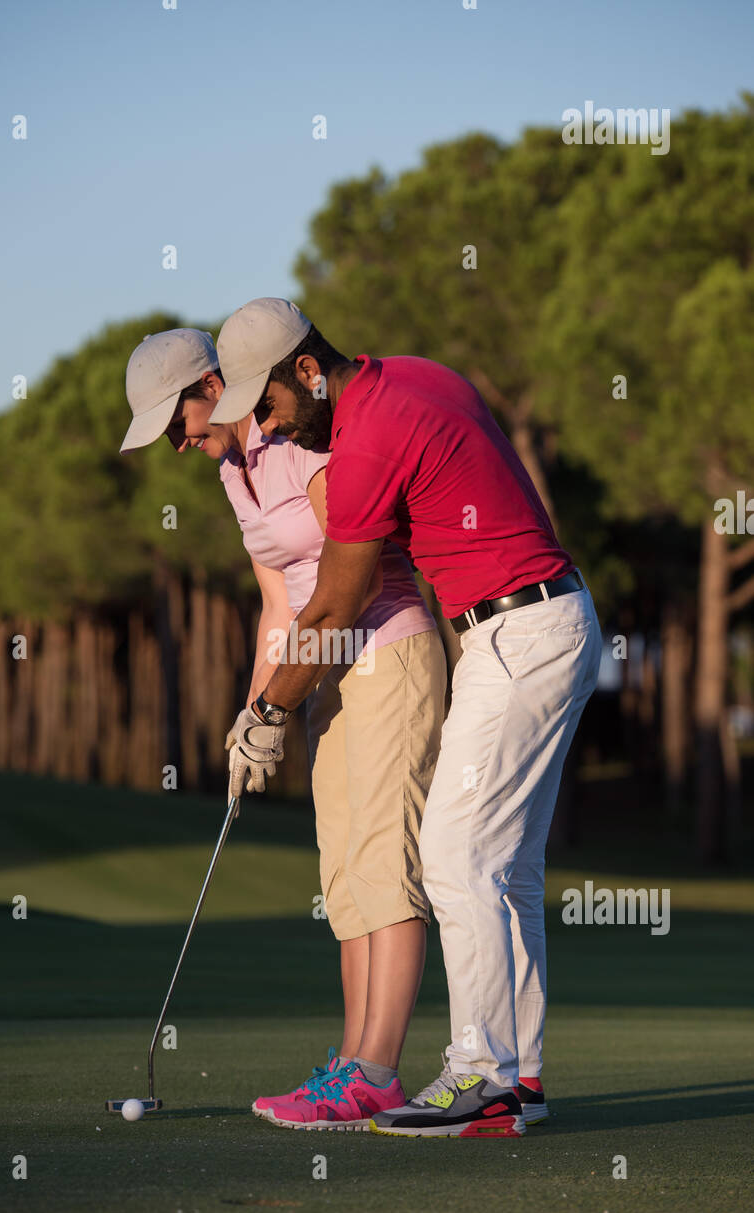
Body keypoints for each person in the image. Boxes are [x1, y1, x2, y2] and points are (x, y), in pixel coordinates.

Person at [211, 297, 602, 1139]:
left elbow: (338, 602)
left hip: (515, 635)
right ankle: (518, 1081)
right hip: (550, 619)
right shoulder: (419, 375)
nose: (269, 428)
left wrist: (267, 712)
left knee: (454, 856)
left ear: (308, 371)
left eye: (271, 406)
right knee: (506, 869)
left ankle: (481, 1077)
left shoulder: (365, 442)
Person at [120, 325, 447, 1130]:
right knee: (343, 873)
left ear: (209, 385)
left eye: (176, 423)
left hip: (387, 652)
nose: (176, 444)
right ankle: (348, 1065)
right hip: (318, 673)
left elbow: (355, 571)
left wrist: (281, 702)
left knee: (384, 862)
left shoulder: (297, 439)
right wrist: (253, 713)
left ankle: (378, 1069)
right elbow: (278, 603)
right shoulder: (234, 471)